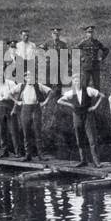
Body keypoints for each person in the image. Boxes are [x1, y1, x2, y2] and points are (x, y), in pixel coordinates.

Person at [38, 26, 72, 154]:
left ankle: (57, 100)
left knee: (58, 84)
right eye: (54, 33)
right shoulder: (47, 43)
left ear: (59, 35)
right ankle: (47, 101)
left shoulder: (63, 44)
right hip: (49, 67)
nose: (55, 35)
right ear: (51, 34)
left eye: (57, 34)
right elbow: (41, 49)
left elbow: (67, 56)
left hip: (59, 67)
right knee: (49, 84)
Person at [58, 81, 104, 168]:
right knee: (79, 138)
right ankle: (83, 160)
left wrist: (94, 107)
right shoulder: (71, 92)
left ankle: (96, 162)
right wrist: (70, 104)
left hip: (88, 115)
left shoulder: (88, 90)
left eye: (78, 81)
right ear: (73, 83)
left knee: (92, 139)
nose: (77, 83)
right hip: (77, 116)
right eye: (75, 81)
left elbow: (102, 96)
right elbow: (59, 101)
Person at [14, 71, 54, 161]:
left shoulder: (38, 85)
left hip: (36, 108)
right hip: (25, 109)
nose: (29, 78)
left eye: (31, 76)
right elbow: (10, 93)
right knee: (26, 132)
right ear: (25, 78)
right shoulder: (21, 86)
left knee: (37, 131)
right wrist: (17, 102)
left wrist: (45, 102)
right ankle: (28, 155)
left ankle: (41, 155)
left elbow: (51, 91)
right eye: (27, 77)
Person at [0, 73, 20, 156]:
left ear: (4, 75)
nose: (0, 77)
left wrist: (14, 108)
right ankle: (4, 151)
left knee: (14, 130)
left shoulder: (11, 83)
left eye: (2, 75)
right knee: (2, 131)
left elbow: (17, 97)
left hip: (10, 107)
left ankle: (18, 152)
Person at [75, 24, 109, 90]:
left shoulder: (97, 42)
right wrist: (81, 57)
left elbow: (106, 50)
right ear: (86, 34)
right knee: (85, 84)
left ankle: (97, 99)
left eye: (91, 32)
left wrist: (101, 57)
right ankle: (84, 100)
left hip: (95, 66)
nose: (90, 34)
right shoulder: (83, 43)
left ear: (93, 33)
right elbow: (74, 50)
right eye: (88, 32)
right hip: (86, 66)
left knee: (96, 84)